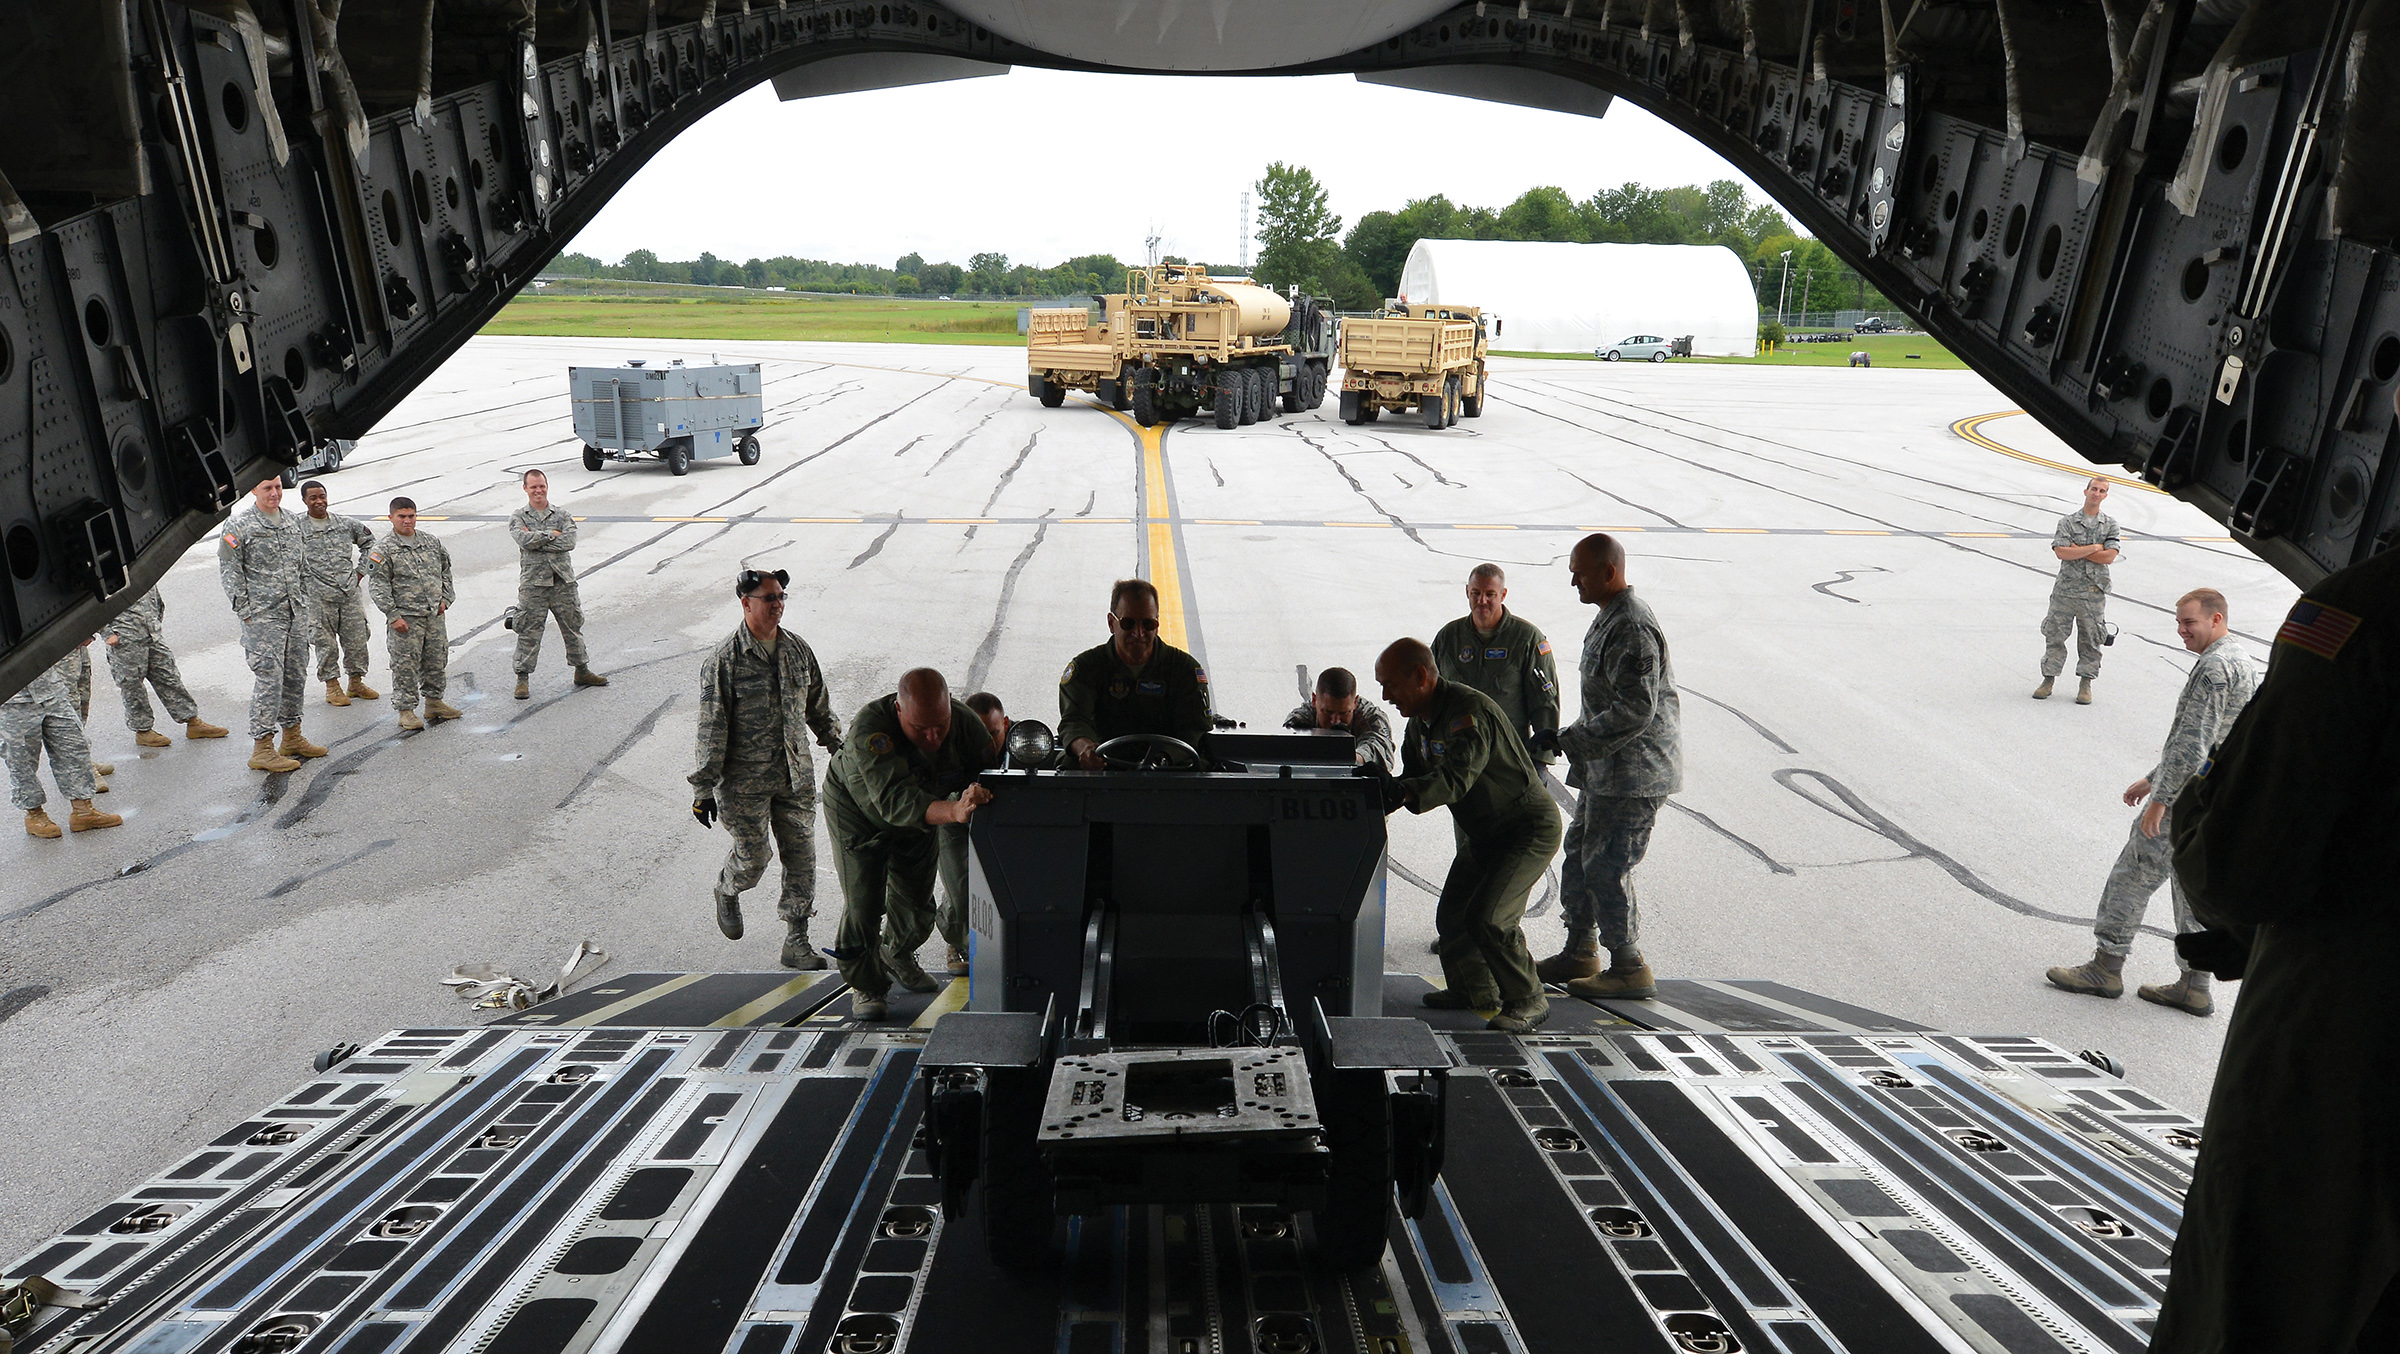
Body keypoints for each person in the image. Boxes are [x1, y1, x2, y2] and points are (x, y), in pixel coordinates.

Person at [2148, 546, 2399, 1351]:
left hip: (2344, 1041)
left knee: (2263, 1290)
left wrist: (2191, 810)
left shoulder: (2365, 611)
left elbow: (2244, 866)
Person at [2045, 588, 2255, 1014]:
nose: (2181, 631)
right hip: (2214, 799)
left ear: (2216, 620)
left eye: (2189, 623)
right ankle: (2195, 985)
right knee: (2189, 889)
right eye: (2178, 623)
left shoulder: (2214, 669)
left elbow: (2193, 744)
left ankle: (2106, 967)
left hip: (2186, 801)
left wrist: (2161, 800)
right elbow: (2219, 741)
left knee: (2132, 874)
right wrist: (2151, 778)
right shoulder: (2241, 660)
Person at [1372, 637, 1560, 1033]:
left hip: (1525, 829)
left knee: (1490, 918)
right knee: (1454, 915)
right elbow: (1413, 777)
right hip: (1487, 832)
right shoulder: (1420, 722)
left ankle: (1528, 999)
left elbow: (1455, 778)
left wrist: (1404, 792)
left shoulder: (1467, 713)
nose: (1385, 695)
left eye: (1390, 684)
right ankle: (1476, 991)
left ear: (1421, 676)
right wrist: (1371, 795)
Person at [1530, 534, 1683, 997]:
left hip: (1634, 774)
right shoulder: (1609, 619)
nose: (1572, 578)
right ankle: (1581, 950)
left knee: (1607, 865)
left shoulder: (1632, 627)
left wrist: (1569, 739)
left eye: (1579, 570)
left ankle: (1629, 966)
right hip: (1608, 770)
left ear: (1608, 572)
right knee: (1578, 855)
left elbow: (1636, 709)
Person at [689, 568, 845, 968]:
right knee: (754, 859)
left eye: (781, 597)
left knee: (802, 858)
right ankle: (728, 887)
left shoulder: (797, 650)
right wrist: (703, 788)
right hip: (744, 783)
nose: (777, 605)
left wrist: (839, 748)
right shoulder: (724, 661)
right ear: (746, 603)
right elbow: (712, 727)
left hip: (795, 777)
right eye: (769, 599)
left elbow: (818, 707)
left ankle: (796, 940)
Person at [824, 669, 999, 1019]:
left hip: (923, 815)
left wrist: (978, 794)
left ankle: (896, 952)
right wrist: (953, 809)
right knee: (864, 903)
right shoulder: (869, 731)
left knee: (917, 906)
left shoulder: (963, 723)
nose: (933, 737)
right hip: (857, 813)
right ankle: (868, 985)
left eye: (941, 725)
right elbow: (896, 802)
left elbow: (989, 773)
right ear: (899, 711)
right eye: (921, 729)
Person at [217, 476, 327, 773]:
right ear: (254, 490)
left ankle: (292, 737)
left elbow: (303, 566)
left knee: (295, 675)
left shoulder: (292, 521)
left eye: (278, 487)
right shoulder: (238, 526)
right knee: (270, 679)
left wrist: (304, 601)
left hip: (295, 613)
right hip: (264, 618)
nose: (275, 493)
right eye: (267, 488)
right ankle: (262, 747)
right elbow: (229, 570)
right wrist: (246, 611)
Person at [1058, 578, 1212, 769]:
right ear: (1111, 623)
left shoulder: (1184, 670)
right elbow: (1074, 721)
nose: (1138, 633)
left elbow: (1194, 730)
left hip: (1169, 771)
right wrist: (1086, 750)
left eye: (1148, 624)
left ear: (1157, 624)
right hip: (1101, 768)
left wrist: (1163, 758)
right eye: (1128, 623)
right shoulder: (1086, 668)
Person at [1431, 563, 1561, 759]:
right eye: (1475, 593)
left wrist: (1541, 760)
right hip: (1458, 755)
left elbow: (1545, 703)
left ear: (1503, 594)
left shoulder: (1526, 639)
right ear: (1467, 591)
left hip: (1507, 757)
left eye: (1490, 594)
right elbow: (1428, 694)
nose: (1482, 600)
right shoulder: (1449, 637)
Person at [509, 469, 607, 700]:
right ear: (525, 489)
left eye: (541, 486)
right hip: (534, 585)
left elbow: (569, 541)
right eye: (533, 487)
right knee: (528, 631)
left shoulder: (562, 515)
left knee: (572, 627)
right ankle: (522, 678)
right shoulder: (518, 517)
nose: (538, 490)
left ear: (547, 486)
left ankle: (581, 670)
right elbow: (523, 540)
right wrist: (551, 535)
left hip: (562, 582)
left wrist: (538, 538)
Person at [364, 497, 459, 732]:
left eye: (411, 516)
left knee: (436, 660)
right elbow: (378, 585)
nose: (407, 520)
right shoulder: (383, 549)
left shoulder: (430, 542)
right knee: (405, 665)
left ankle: (434, 703)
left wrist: (446, 599)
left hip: (433, 616)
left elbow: (446, 570)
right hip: (406, 620)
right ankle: (406, 711)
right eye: (401, 516)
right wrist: (393, 615)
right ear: (391, 518)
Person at [4, 649, 122, 837]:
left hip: (48, 686)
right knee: (22, 759)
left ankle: (83, 810)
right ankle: (34, 814)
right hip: (10, 696)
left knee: (73, 745)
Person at [102, 587, 226, 747]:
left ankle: (193, 722)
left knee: (169, 677)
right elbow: (91, 606)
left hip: (151, 634)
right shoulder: (105, 569)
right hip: (125, 640)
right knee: (132, 686)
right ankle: (143, 731)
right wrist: (107, 633)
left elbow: (155, 596)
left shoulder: (137, 568)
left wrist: (155, 622)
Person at [2036, 476, 2121, 704]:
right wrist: (2095, 548)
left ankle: (2086, 684)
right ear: (2086, 491)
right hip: (2066, 590)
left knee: (2091, 639)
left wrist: (2079, 549)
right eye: (2094, 489)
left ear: (2105, 496)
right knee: (2055, 635)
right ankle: (2048, 679)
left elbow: (2110, 557)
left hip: (2093, 593)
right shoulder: (2068, 522)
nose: (2097, 493)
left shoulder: (2110, 525)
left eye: (2102, 490)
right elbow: (2062, 552)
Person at [298, 479, 380, 707]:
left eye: (321, 496)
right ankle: (332, 686)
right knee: (325, 643)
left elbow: (370, 543)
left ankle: (356, 682)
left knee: (357, 638)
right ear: (304, 500)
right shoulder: (295, 528)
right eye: (313, 498)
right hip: (317, 597)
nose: (319, 501)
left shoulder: (344, 524)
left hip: (348, 592)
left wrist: (362, 572)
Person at [1282, 666, 1398, 773]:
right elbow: (1287, 743)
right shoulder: (1302, 716)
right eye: (1328, 712)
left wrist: (1352, 758)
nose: (1335, 721)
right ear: (1314, 700)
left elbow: (1379, 746)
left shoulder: (1371, 717)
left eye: (1343, 713)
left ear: (1355, 703)